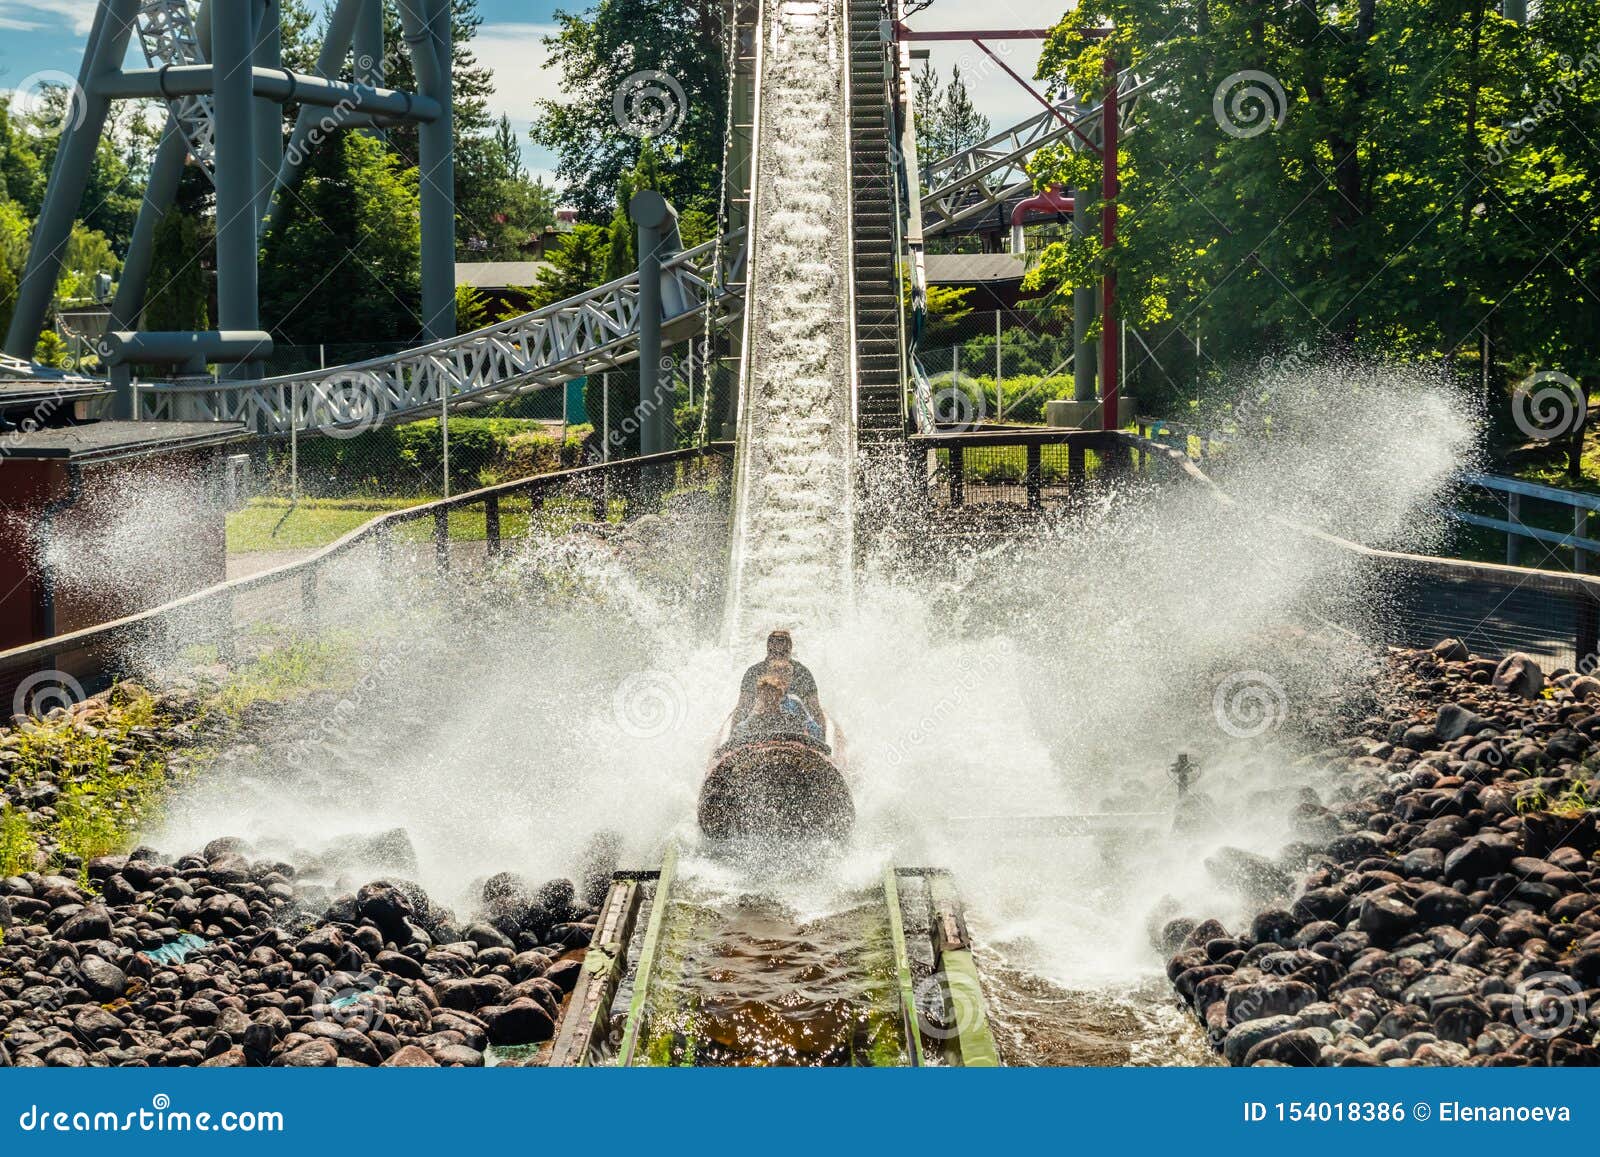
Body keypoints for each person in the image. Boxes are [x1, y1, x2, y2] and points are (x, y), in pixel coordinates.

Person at [735, 629, 825, 724]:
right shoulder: (754, 673)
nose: (778, 656)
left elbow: (815, 710)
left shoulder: (802, 674)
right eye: (774, 652)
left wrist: (822, 733)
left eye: (783, 652)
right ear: (768, 649)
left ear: (790, 649)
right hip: (761, 728)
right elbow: (742, 707)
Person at [728, 676, 805, 746]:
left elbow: (803, 742)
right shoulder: (750, 724)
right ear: (759, 695)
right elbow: (738, 741)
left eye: (772, 692)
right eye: (765, 693)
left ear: (780, 695)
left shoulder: (791, 721)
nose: (769, 697)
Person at [767, 658, 825, 742]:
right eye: (777, 674)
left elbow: (813, 729)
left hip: (792, 744)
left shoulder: (794, 702)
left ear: (790, 679)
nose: (781, 678)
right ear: (769, 677)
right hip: (768, 743)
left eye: (786, 675)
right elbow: (750, 723)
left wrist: (814, 736)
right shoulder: (763, 699)